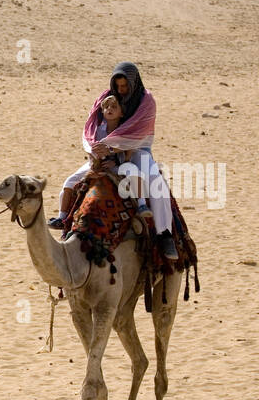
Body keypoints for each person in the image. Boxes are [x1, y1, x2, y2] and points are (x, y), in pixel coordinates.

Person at [53, 62, 179, 259]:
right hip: (102, 153)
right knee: (75, 180)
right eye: (118, 86)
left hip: (137, 151)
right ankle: (65, 222)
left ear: (134, 82)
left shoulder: (146, 101)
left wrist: (112, 146)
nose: (121, 91)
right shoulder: (105, 98)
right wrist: (97, 149)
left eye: (125, 86)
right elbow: (91, 126)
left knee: (156, 184)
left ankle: (165, 235)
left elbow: (138, 132)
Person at [49, 93, 150, 226]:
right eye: (106, 107)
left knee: (134, 171)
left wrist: (117, 162)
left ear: (121, 113)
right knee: (69, 182)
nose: (109, 109)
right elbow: (91, 149)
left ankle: (142, 204)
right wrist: (96, 167)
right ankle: (62, 217)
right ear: (102, 111)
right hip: (95, 164)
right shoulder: (95, 131)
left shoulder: (125, 131)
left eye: (114, 107)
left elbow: (129, 148)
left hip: (118, 164)